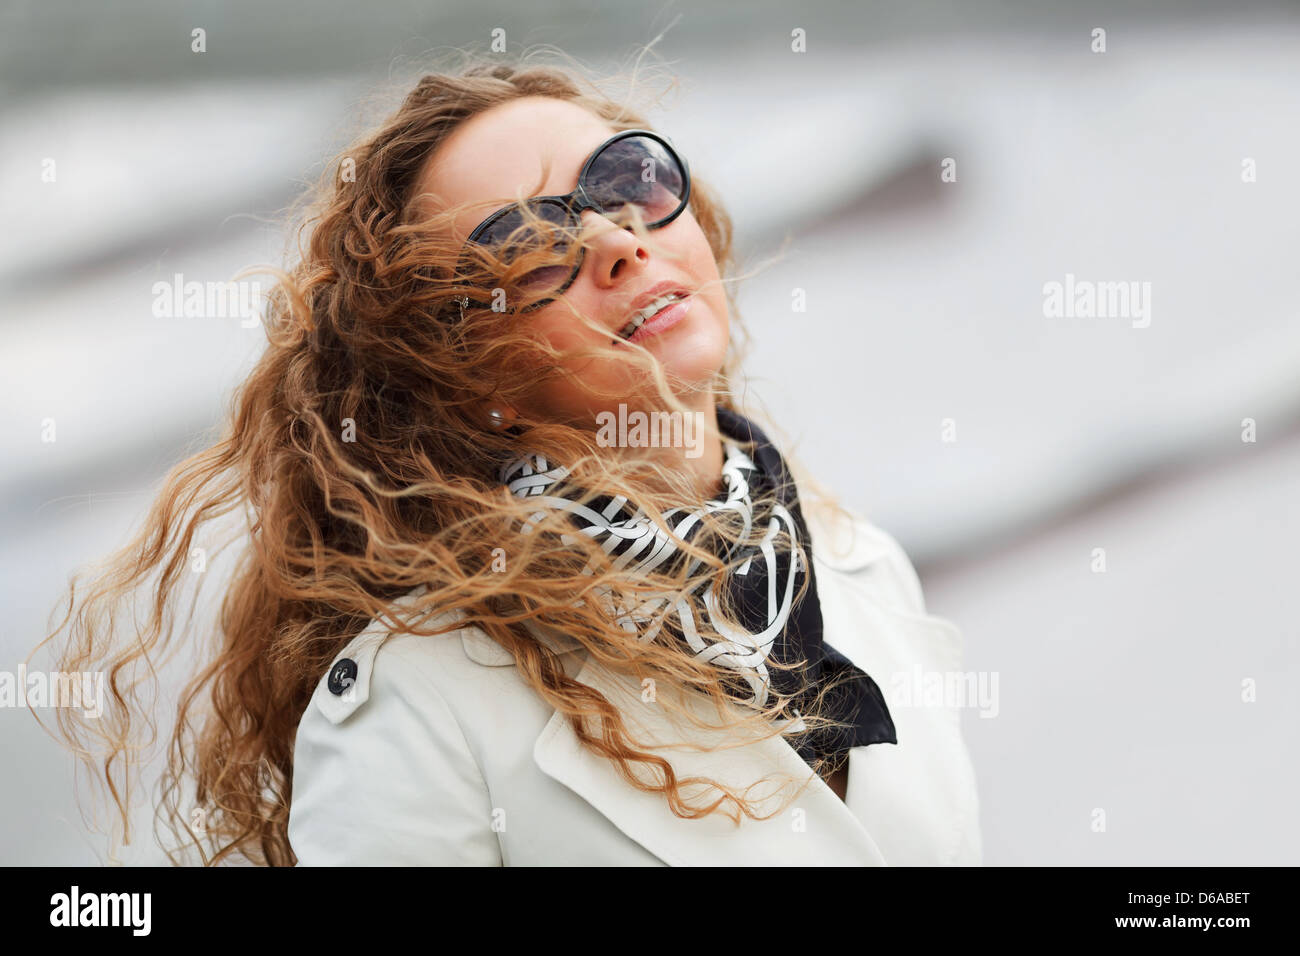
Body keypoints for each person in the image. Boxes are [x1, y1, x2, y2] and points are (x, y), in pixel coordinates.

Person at [33, 54, 981, 867]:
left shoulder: (859, 565)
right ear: (458, 369)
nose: (615, 242)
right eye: (527, 249)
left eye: (628, 180)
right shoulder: (424, 706)